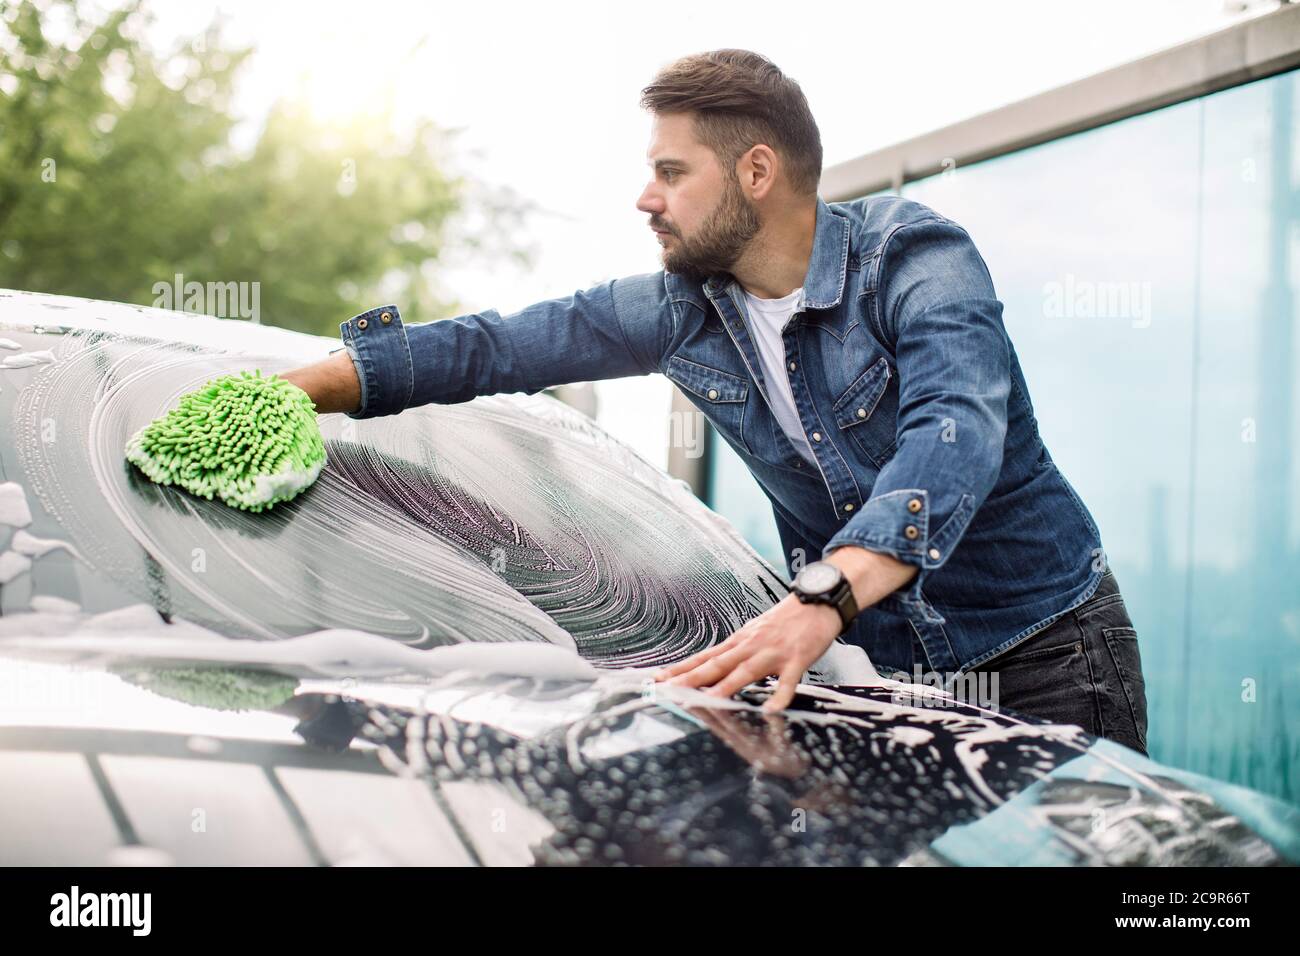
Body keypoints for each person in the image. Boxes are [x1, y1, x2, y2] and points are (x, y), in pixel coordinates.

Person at [279, 49, 1148, 754]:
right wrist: (290, 389)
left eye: (670, 171)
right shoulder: (679, 309)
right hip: (886, 677)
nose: (644, 198)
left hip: (1047, 660)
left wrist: (821, 601)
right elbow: (496, 346)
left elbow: (953, 438)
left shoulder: (915, 261)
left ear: (756, 172)